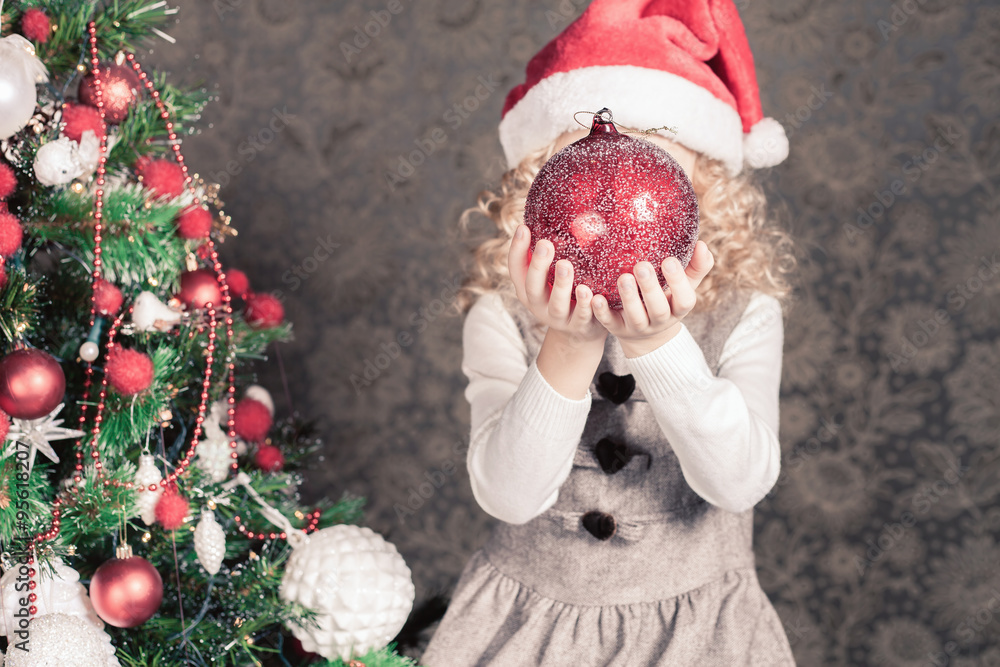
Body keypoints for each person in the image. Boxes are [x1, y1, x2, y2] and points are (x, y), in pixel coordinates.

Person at [420, 0, 799, 664]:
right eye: (586, 156)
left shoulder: (744, 310)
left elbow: (739, 481)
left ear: (700, 183)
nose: (611, 185)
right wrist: (565, 344)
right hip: (528, 632)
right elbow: (508, 494)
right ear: (539, 185)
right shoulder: (501, 312)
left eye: (646, 150)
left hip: (700, 634)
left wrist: (658, 342)